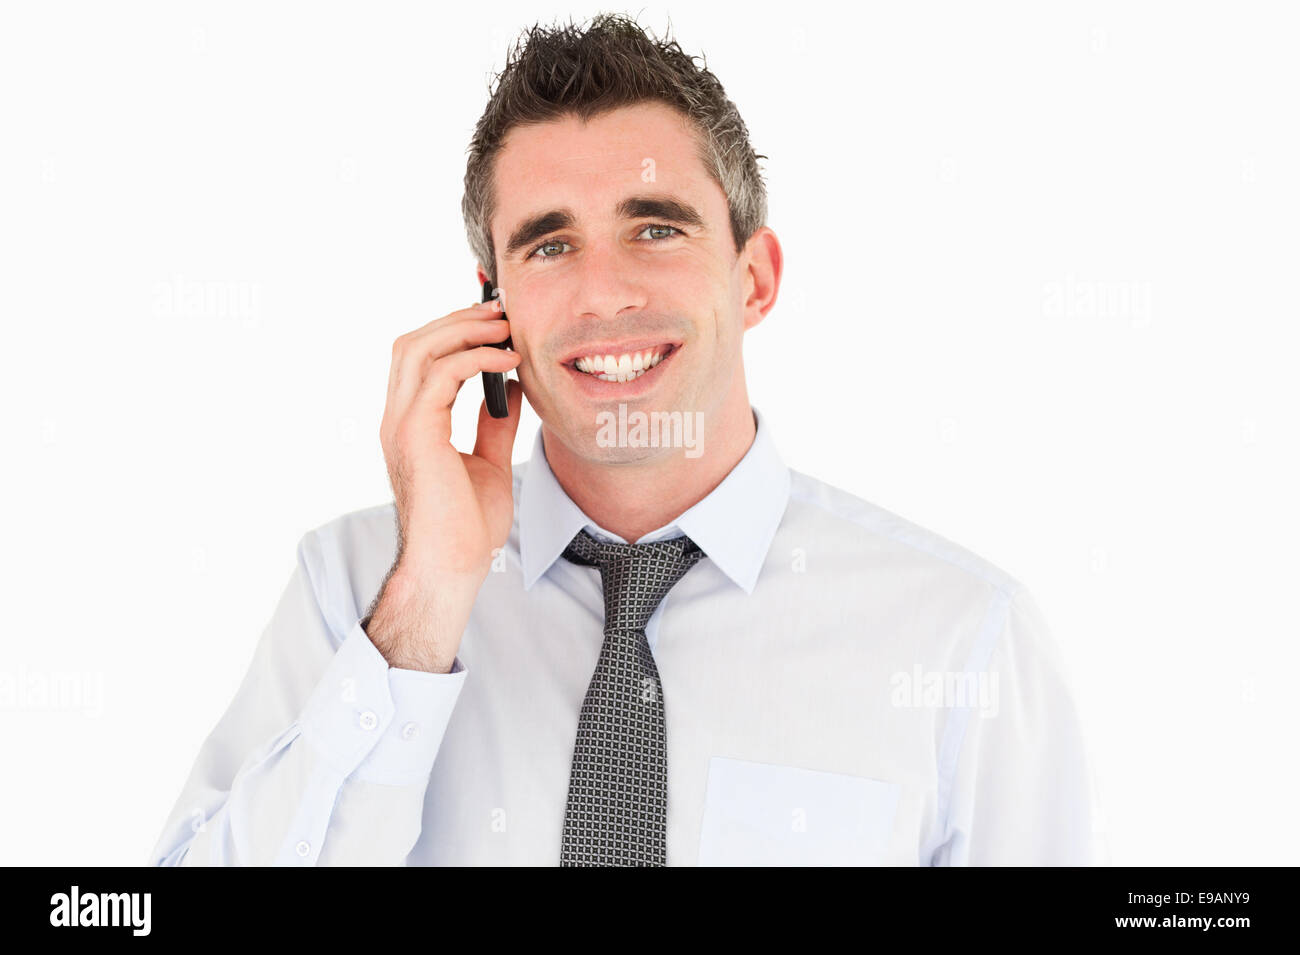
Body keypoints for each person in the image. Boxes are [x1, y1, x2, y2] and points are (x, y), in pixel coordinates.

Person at [150, 13, 1106, 866]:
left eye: (654, 228)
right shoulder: (354, 589)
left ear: (755, 278)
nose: (604, 295)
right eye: (550, 244)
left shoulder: (963, 642)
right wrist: (426, 607)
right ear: (495, 305)